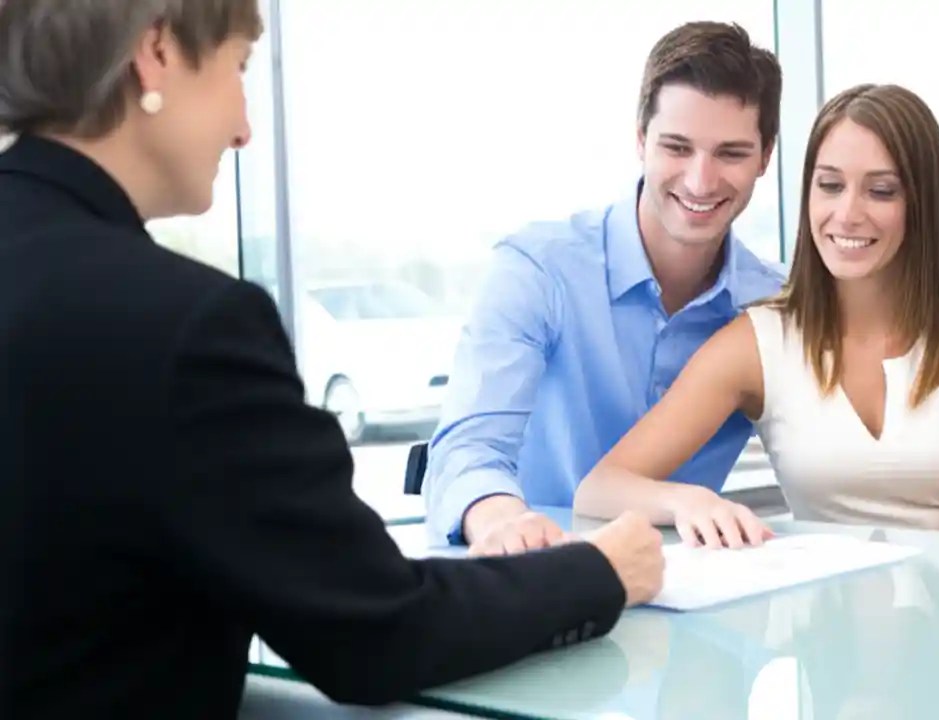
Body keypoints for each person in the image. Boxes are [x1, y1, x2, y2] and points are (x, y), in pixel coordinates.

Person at [0, 1, 664, 717]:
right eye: (238, 68)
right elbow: (377, 631)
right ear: (156, 54)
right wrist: (599, 572)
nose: (245, 128)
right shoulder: (187, 327)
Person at [574, 84, 939, 546]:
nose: (847, 214)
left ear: (923, 203)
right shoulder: (760, 341)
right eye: (829, 186)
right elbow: (599, 488)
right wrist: (686, 500)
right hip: (824, 592)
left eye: (880, 191)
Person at [425, 21, 786, 553]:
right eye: (677, 148)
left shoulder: (775, 309)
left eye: (730, 153)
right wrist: (502, 522)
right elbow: (468, 451)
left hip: (692, 583)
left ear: (766, 156)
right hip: (531, 571)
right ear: (640, 139)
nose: (701, 180)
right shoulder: (538, 270)